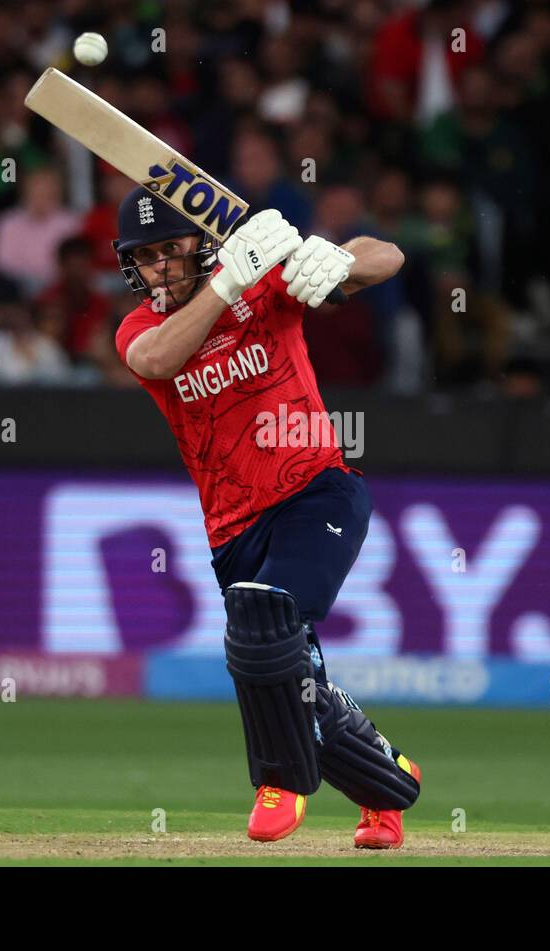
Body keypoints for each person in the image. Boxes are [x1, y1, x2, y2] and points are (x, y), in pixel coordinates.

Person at [111, 187, 418, 848]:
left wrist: (335, 260)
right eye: (146, 257)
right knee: (288, 669)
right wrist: (226, 282)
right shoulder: (142, 328)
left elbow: (387, 254)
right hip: (233, 531)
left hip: (318, 494)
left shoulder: (266, 288)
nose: (161, 267)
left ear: (199, 243)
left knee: (266, 615)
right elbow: (159, 360)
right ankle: (390, 788)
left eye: (171, 249)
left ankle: (279, 784)